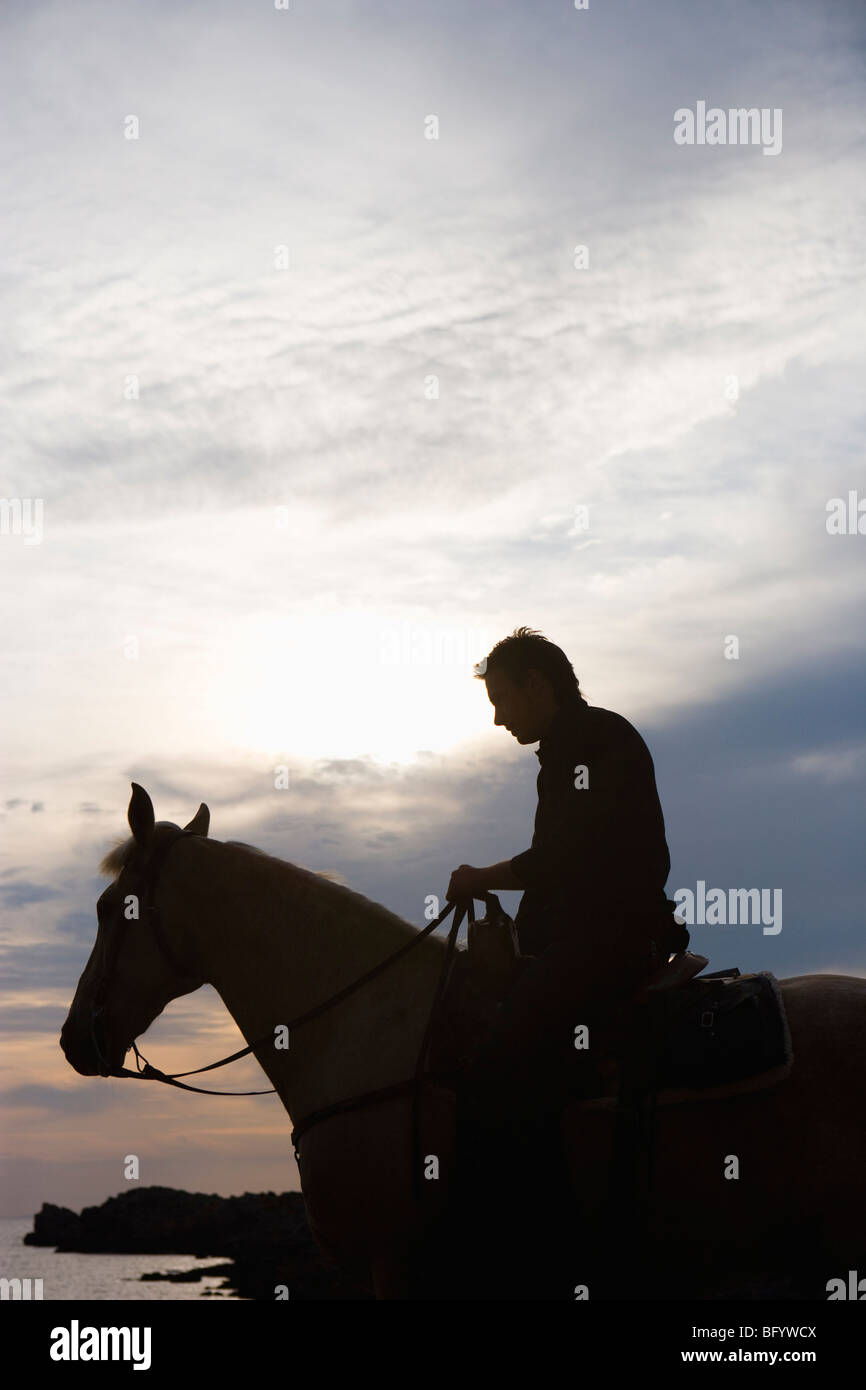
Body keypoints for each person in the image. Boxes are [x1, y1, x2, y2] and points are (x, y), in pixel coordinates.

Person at [446, 627, 688, 1299]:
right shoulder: (572, 746)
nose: (497, 718)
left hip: (609, 939)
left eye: (502, 699)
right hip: (589, 935)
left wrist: (478, 878)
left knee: (500, 1061)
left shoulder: (589, 742)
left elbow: (561, 861)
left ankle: (549, 1247)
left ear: (538, 685)